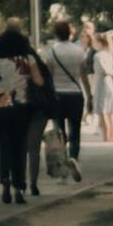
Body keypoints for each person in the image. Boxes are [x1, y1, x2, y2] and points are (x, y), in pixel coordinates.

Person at [0, 23, 40, 205]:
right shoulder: (27, 60)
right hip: (21, 109)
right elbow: (39, 81)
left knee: (3, 147)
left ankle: (5, 181)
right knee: (19, 148)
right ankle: (19, 187)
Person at [41, 16, 88, 179]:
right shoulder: (79, 51)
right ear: (69, 34)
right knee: (75, 130)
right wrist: (88, 94)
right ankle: (74, 158)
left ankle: (62, 167)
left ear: (55, 34)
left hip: (58, 95)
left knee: (60, 133)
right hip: (75, 94)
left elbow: (48, 77)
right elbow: (83, 74)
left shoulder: (52, 51)